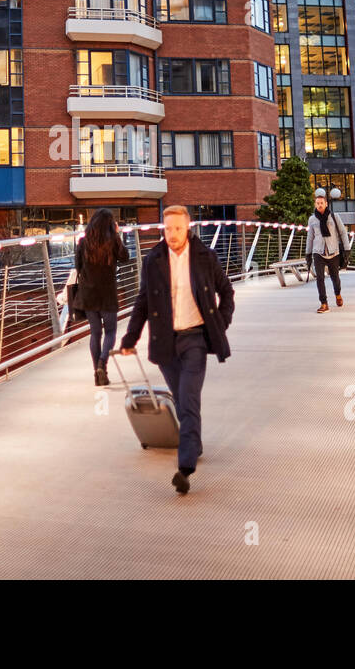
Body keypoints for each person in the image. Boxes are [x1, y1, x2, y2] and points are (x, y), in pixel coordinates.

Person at [118, 204, 234, 495]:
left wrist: (220, 324)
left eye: (177, 228)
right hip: (165, 341)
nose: (172, 234)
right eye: (167, 229)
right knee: (182, 404)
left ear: (189, 227)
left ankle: (184, 468)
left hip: (195, 337)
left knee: (188, 397)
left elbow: (226, 292)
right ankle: (194, 443)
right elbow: (143, 302)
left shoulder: (205, 258)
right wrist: (130, 339)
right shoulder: (154, 259)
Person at [73, 208, 130, 386]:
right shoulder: (113, 241)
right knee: (111, 331)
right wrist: (118, 235)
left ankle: (96, 373)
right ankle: (102, 365)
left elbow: (78, 267)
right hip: (107, 293)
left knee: (95, 333)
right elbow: (125, 258)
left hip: (88, 293)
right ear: (110, 225)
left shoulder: (83, 242)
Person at [305, 189, 350, 312]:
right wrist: (308, 253)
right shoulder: (312, 219)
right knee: (319, 277)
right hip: (318, 251)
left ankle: (338, 294)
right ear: (315, 204)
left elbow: (343, 233)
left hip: (333, 251)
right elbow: (310, 237)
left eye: (321, 203)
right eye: (317, 203)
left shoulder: (334, 217)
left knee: (335, 277)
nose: (319, 205)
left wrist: (347, 249)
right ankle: (324, 303)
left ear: (326, 204)